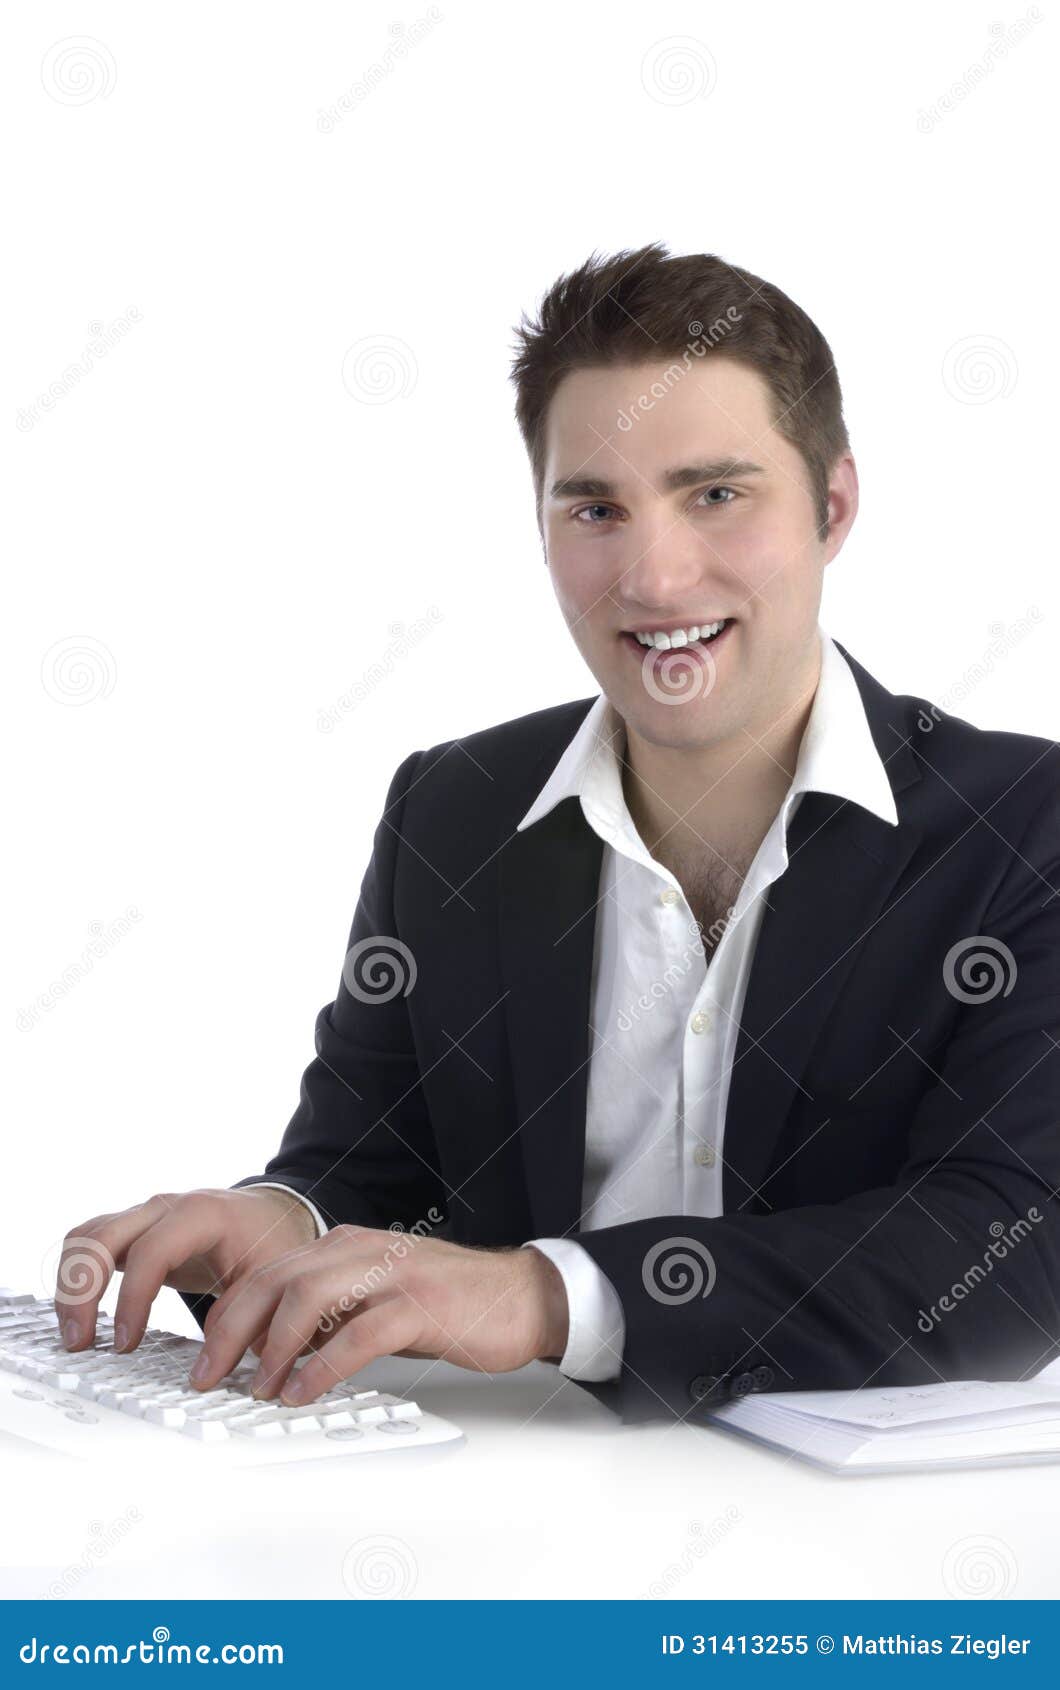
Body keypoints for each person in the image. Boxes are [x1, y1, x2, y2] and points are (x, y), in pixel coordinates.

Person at [56, 243, 1060, 1424]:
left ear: (831, 506)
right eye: (595, 509)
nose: (654, 576)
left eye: (716, 494)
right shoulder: (453, 810)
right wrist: (285, 1219)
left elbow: (1015, 1246)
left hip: (868, 1518)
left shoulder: (1020, 827)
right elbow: (377, 1165)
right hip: (505, 1489)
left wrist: (547, 1296)